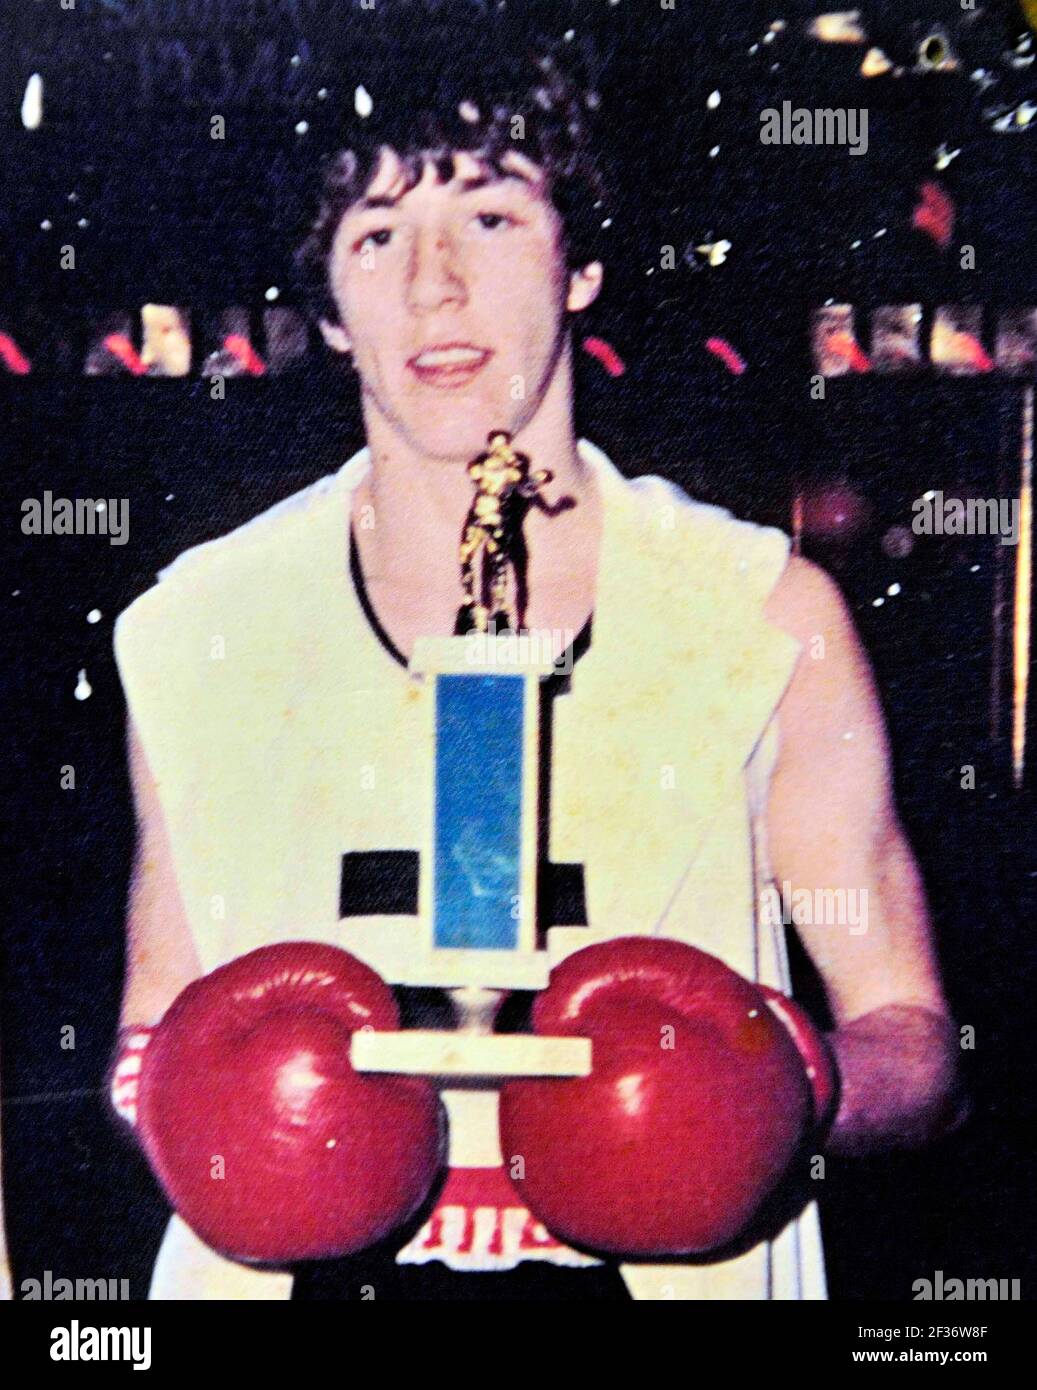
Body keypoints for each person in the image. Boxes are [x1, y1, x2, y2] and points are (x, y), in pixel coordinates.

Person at [111, 22, 967, 1300]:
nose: (434, 286)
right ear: (330, 307)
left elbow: (918, 1043)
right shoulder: (195, 630)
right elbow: (149, 1027)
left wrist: (773, 1088)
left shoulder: (764, 619)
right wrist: (212, 1114)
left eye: (493, 219)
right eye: (378, 234)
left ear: (577, 261)